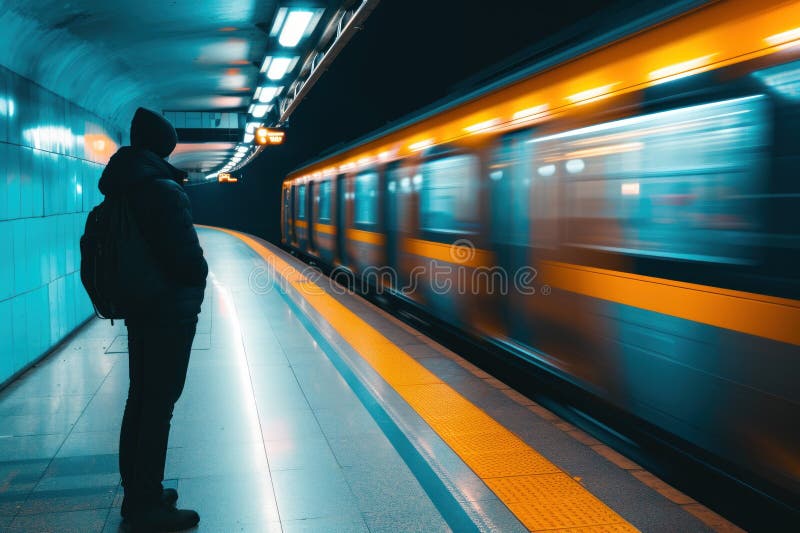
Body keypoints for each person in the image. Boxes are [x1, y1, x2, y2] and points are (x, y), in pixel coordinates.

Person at [98, 107, 208, 531]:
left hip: (141, 308)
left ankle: (140, 492)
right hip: (166, 312)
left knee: (141, 399)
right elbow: (186, 261)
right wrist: (198, 281)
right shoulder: (161, 190)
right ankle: (145, 505)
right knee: (158, 404)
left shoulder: (123, 185)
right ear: (164, 145)